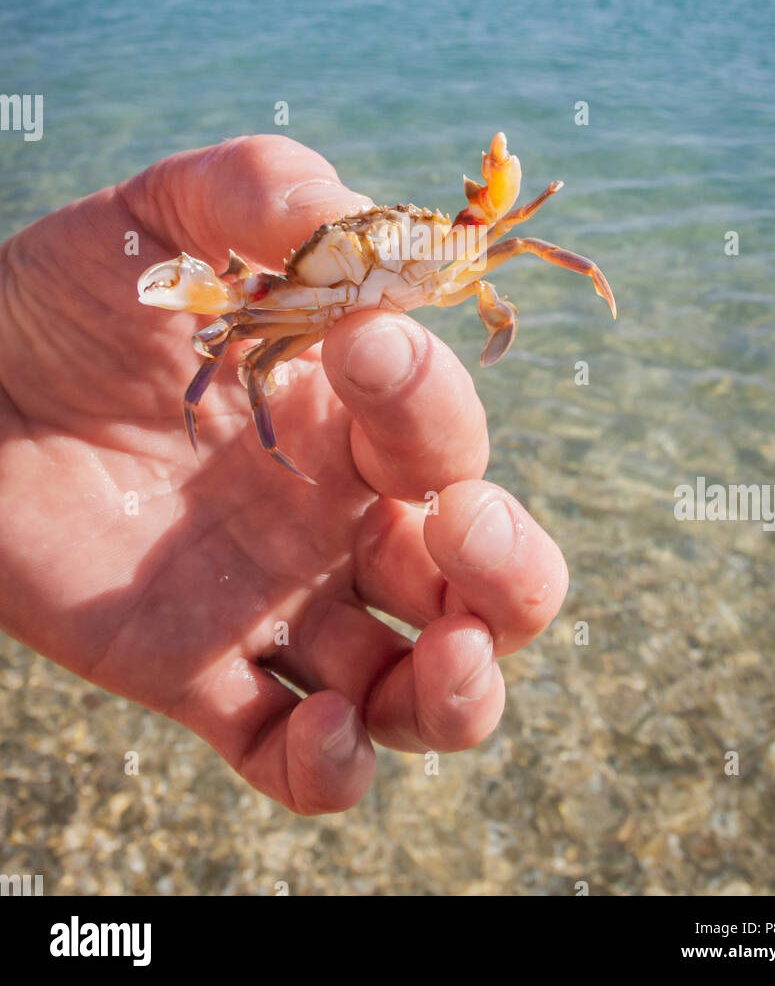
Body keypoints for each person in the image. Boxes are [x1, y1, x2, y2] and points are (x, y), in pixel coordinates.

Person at [0, 135, 568, 814]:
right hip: (305, 301)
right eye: (347, 237)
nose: (371, 243)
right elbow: (229, 331)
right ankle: (273, 446)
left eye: (392, 229)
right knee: (245, 355)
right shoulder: (275, 300)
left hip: (346, 294)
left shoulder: (448, 250)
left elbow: (509, 233)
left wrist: (497, 293)